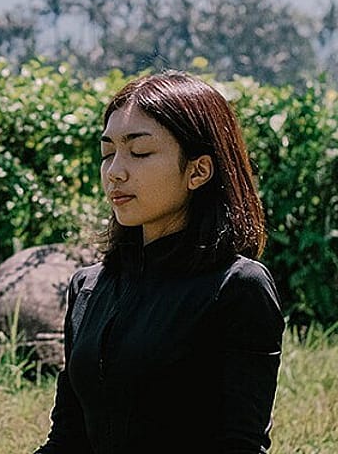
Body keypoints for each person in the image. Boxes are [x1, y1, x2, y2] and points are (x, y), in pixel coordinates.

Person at [34, 71, 284, 453]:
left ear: (198, 170)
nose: (115, 171)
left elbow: (241, 444)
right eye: (107, 153)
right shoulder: (88, 287)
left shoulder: (238, 287)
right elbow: (68, 441)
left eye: (140, 152)